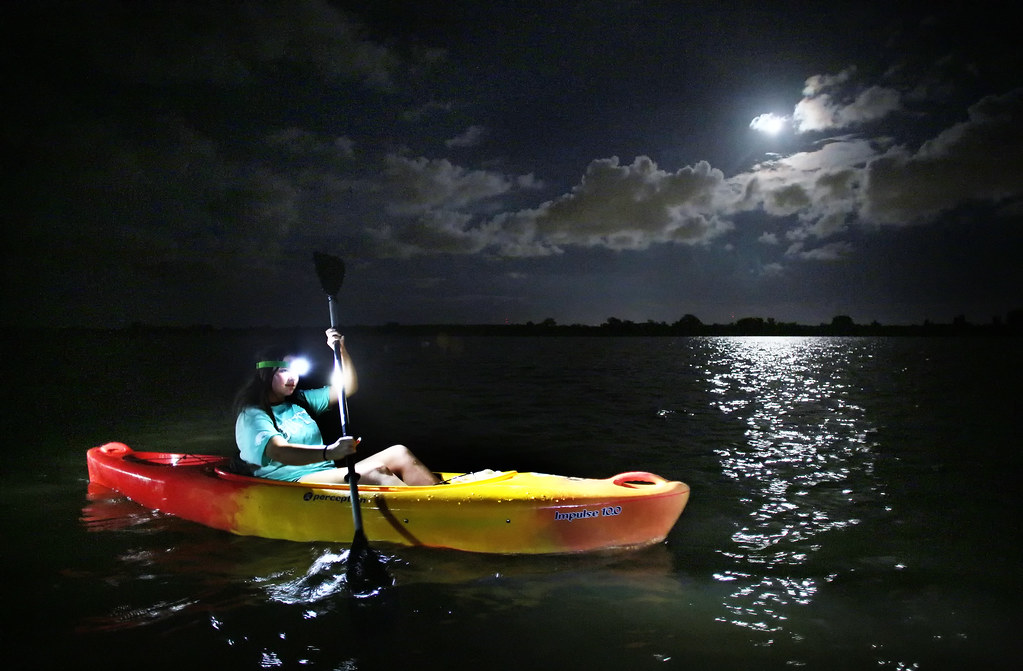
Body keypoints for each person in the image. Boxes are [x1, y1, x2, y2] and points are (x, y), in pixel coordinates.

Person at [233, 329, 439, 486]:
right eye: (284, 370)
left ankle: (437, 495)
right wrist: (330, 451)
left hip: (324, 472)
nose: (292, 377)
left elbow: (346, 387)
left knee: (399, 453)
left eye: (295, 370)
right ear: (264, 373)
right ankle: (425, 514)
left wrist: (340, 351)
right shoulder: (253, 413)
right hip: (292, 482)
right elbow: (279, 451)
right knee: (376, 471)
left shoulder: (300, 400)